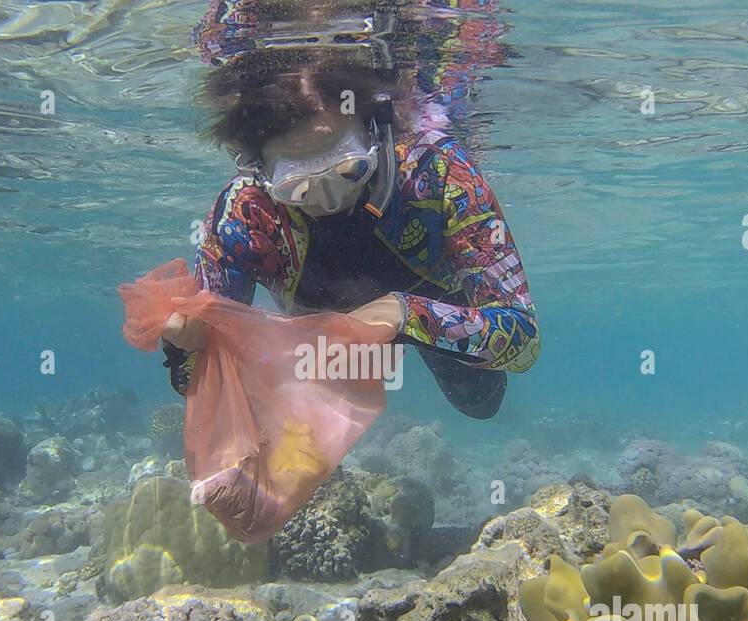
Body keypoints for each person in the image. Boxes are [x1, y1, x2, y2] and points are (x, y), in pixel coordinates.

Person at [161, 0, 538, 419]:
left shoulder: (439, 171)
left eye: (349, 169)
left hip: (430, 312)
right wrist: (186, 349)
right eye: (298, 186)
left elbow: (522, 340)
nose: (330, 200)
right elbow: (195, 378)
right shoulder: (246, 213)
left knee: (480, 402)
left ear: (377, 132)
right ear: (258, 170)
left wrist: (403, 314)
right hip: (321, 349)